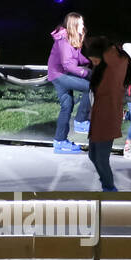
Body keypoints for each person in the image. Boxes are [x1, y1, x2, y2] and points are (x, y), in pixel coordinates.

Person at [86, 37, 131, 192]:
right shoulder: (103, 70)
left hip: (109, 116)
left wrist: (108, 45)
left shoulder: (114, 64)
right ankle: (105, 180)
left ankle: (109, 187)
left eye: (96, 61)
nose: (94, 64)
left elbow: (112, 54)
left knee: (101, 158)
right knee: (92, 155)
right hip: (99, 116)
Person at [47, 11, 92, 154]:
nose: (83, 25)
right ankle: (81, 121)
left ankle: (59, 142)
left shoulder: (72, 38)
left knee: (67, 105)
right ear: (74, 25)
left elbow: (77, 58)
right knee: (92, 87)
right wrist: (86, 72)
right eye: (81, 23)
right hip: (60, 75)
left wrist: (91, 62)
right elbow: (67, 64)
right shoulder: (63, 40)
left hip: (59, 75)